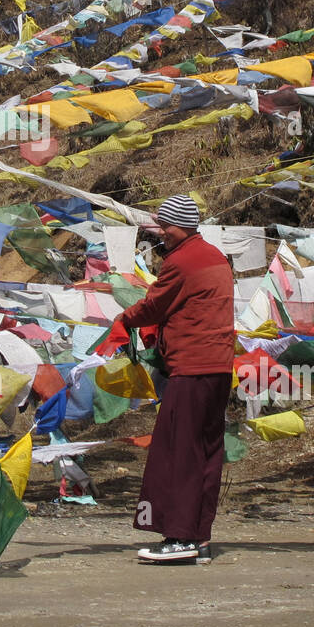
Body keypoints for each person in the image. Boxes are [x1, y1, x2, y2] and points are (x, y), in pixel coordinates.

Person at [119, 194, 235, 564]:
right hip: (218, 368)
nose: (161, 235)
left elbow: (154, 306)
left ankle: (180, 537)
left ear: (178, 227)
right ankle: (200, 536)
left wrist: (122, 321)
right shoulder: (215, 256)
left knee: (180, 452)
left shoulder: (181, 262)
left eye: (164, 228)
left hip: (192, 367)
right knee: (206, 451)